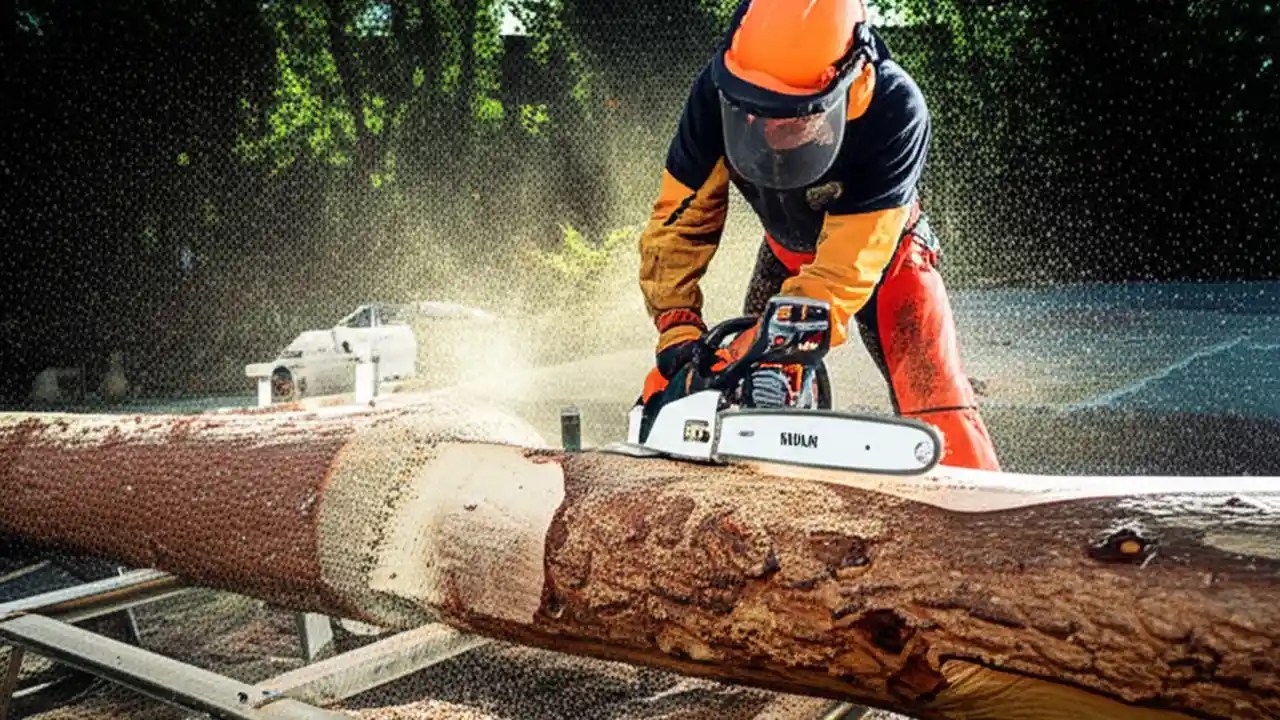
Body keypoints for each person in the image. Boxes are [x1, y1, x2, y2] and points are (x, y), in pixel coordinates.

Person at [636, 0, 1000, 471]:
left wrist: (776, 342)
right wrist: (677, 325)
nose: (768, 130)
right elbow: (680, 218)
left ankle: (990, 517)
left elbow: (847, 266)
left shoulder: (894, 110)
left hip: (891, 260)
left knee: (938, 403)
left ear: (847, 80)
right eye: (753, 113)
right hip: (786, 253)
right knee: (740, 391)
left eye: (790, 115)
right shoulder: (715, 93)